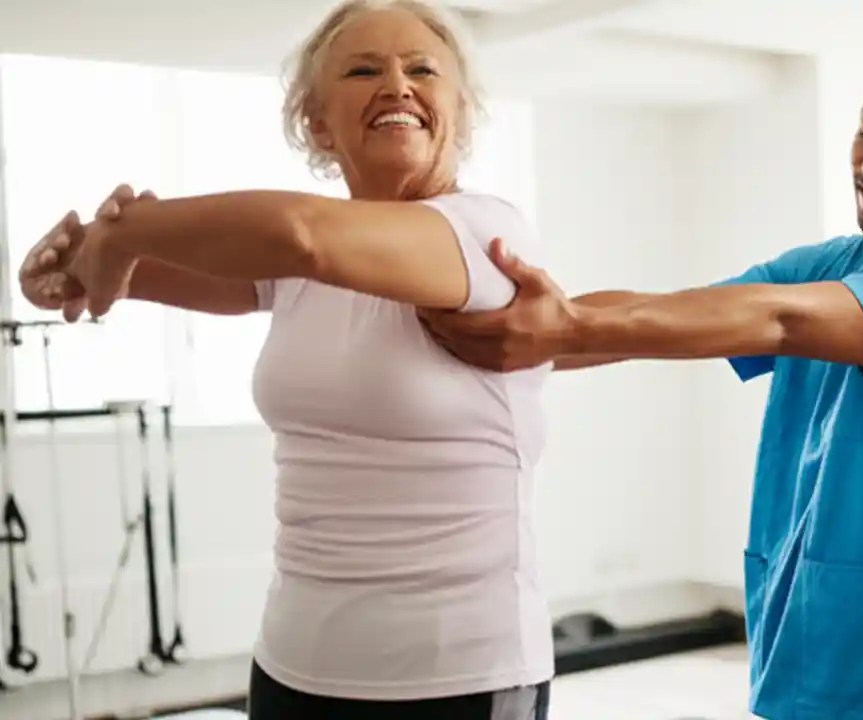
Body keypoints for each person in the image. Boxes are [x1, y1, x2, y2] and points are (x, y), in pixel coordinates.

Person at [422, 23, 863, 720]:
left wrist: (563, 328)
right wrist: (515, 339)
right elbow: (678, 312)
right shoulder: (829, 265)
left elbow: (778, 321)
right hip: (800, 647)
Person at [18, 1, 555, 717]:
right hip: (295, 665)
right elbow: (141, 269)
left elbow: (301, 233)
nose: (396, 83)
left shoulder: (484, 235)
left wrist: (131, 231)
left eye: (421, 68)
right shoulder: (293, 269)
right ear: (317, 122)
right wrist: (75, 264)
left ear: (461, 109)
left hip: (457, 675)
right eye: (364, 69)